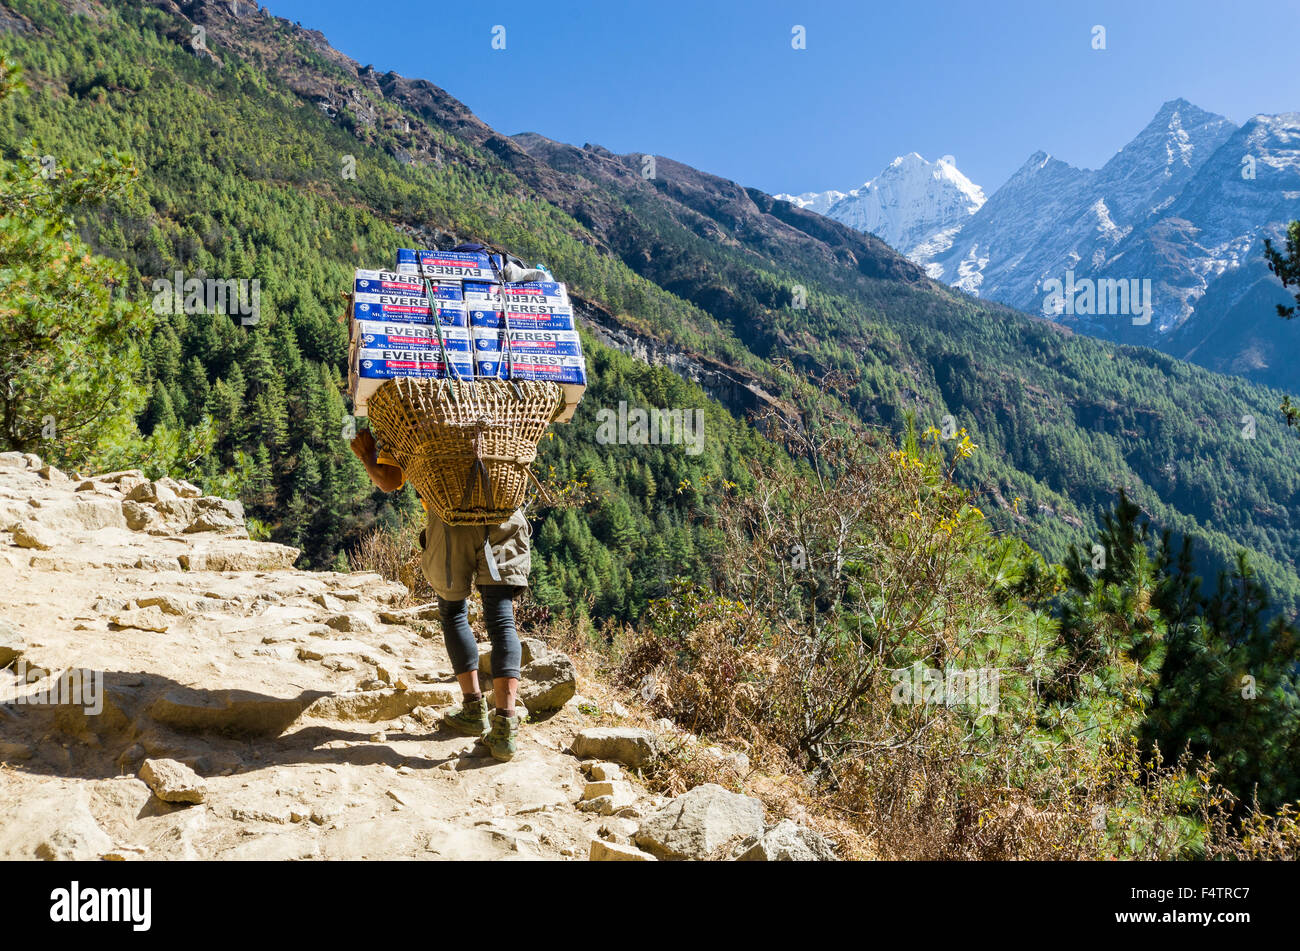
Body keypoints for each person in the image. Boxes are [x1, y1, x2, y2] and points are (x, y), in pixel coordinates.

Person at [349, 428, 531, 761]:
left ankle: (474, 710)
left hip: (452, 521)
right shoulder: (501, 403)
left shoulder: (417, 413)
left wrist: (366, 454)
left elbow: (388, 480)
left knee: (452, 611)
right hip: (504, 515)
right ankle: (505, 727)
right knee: (502, 618)